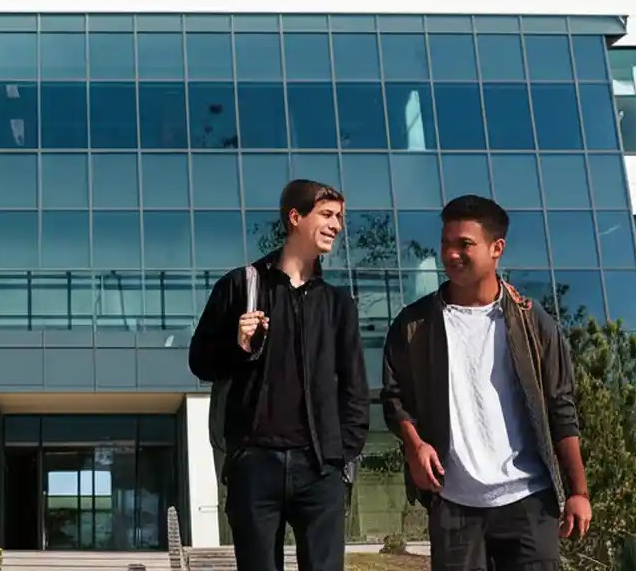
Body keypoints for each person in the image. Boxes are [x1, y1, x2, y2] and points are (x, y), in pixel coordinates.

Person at [381, 195, 593, 571]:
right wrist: (414, 446)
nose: (451, 254)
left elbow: (561, 405)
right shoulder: (414, 324)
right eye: (446, 243)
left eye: (465, 244)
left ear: (497, 248)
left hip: (529, 497)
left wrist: (578, 491)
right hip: (453, 503)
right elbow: (395, 399)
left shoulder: (531, 321)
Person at [189, 179, 370, 571]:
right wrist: (237, 345)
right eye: (326, 214)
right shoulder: (240, 286)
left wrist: (342, 460)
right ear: (295, 217)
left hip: (320, 470)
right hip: (254, 465)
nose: (336, 225)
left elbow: (354, 388)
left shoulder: (338, 305)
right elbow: (200, 363)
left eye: (339, 217)